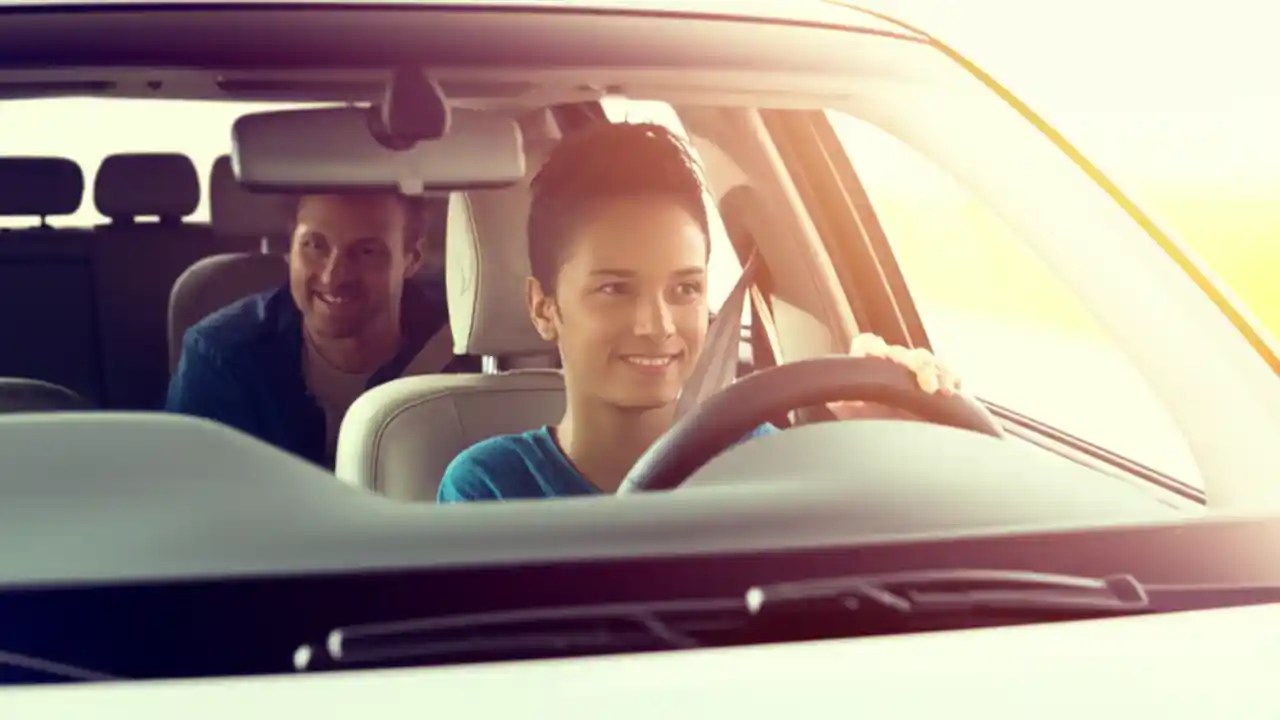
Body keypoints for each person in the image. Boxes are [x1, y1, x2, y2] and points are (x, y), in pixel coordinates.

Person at [437, 123, 959, 502]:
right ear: (544, 307)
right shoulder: (491, 488)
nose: (658, 325)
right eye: (616, 288)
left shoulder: (767, 467)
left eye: (685, 289)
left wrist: (894, 448)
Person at [166, 193, 472, 467]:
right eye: (314, 245)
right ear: (290, 249)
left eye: (366, 251)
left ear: (412, 260)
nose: (333, 276)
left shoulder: (464, 352)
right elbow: (189, 503)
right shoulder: (222, 357)